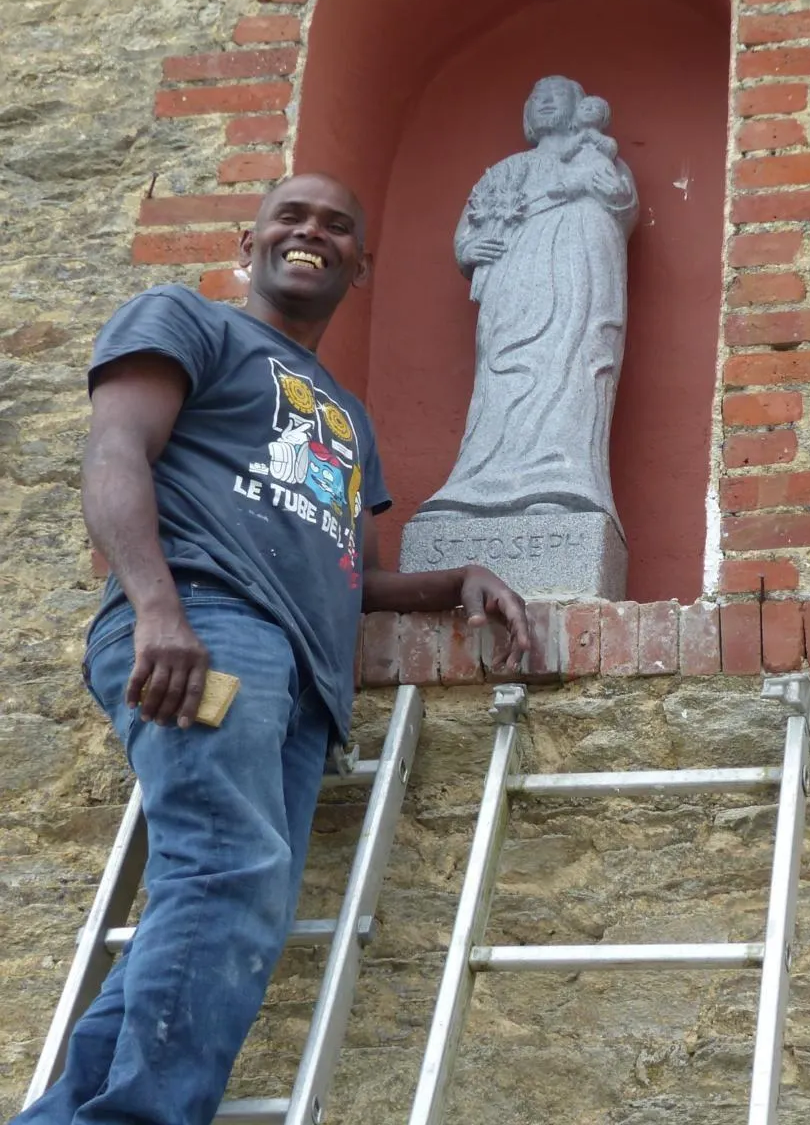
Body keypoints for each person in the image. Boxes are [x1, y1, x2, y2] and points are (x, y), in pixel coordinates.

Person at [14, 173, 529, 1125]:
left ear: (360, 265)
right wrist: (159, 609)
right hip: (205, 626)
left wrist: (455, 578)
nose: (312, 232)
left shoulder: (347, 418)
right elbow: (115, 453)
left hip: (300, 683)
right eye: (290, 216)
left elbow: (344, 571)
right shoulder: (188, 322)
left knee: (224, 896)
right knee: (227, 875)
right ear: (248, 244)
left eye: (337, 226)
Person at [419, 76, 639, 531]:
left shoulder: (599, 157)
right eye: (538, 96)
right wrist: (470, 248)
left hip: (578, 269)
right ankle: (479, 481)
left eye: (558, 95)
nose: (546, 101)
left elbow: (622, 205)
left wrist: (607, 188)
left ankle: (564, 479)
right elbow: (470, 229)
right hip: (516, 279)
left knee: (572, 363)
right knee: (504, 368)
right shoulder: (508, 170)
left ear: (578, 108)